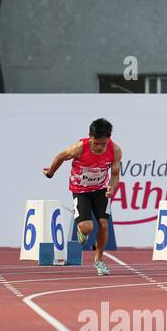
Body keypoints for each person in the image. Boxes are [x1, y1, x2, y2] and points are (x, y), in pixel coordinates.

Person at [42, 118, 121, 277]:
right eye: (96, 143)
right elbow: (61, 156)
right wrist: (51, 172)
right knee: (88, 228)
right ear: (89, 137)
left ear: (109, 140)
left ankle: (99, 260)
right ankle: (82, 232)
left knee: (104, 224)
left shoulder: (115, 150)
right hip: (81, 190)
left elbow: (115, 174)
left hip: (100, 190)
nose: (99, 147)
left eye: (103, 144)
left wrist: (112, 187)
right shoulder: (79, 148)